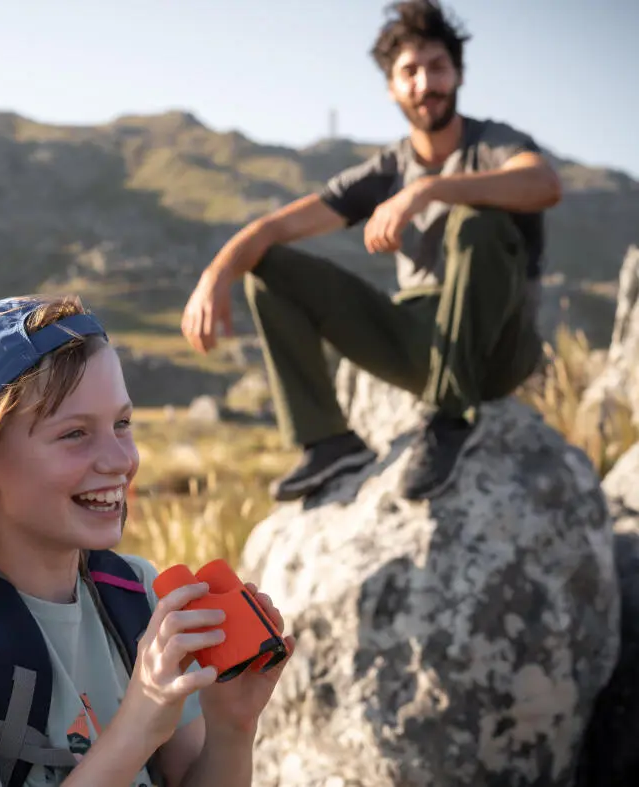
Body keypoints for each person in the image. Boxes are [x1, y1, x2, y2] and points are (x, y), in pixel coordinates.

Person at [0, 294, 294, 786]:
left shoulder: (136, 593)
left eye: (122, 424)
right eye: (74, 434)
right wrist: (136, 727)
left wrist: (232, 727)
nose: (119, 461)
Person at [180, 0, 563, 503]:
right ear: (392, 87)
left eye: (437, 68)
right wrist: (216, 275)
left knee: (478, 221)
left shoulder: (493, 143)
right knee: (268, 268)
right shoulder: (388, 170)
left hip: (498, 347)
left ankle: (450, 418)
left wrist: (432, 191)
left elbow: (543, 183)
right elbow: (274, 227)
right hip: (420, 338)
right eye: (410, 72)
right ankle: (328, 442)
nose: (426, 84)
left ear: (458, 74)